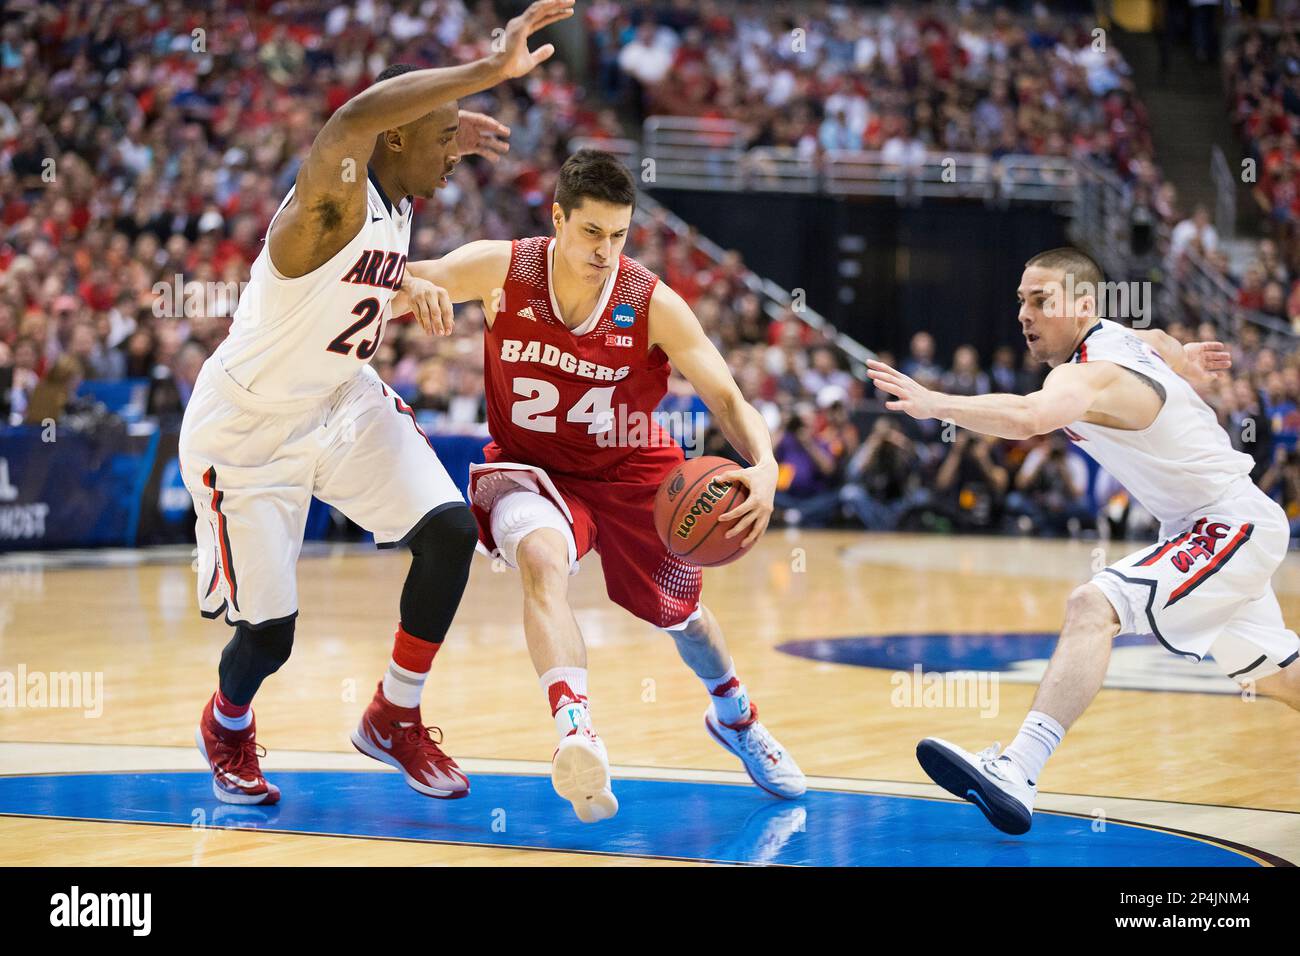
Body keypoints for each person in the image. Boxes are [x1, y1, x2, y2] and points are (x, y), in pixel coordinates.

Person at [179, 0, 576, 806]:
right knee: (270, 637)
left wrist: (414, 284)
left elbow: (358, 288)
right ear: (393, 139)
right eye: (440, 141)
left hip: (340, 402)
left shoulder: (397, 202)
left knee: (450, 531)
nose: (454, 159)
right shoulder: (328, 201)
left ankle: (394, 716)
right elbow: (353, 119)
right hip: (249, 430)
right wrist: (489, 70)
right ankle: (227, 721)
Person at [398, 149, 805, 822]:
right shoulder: (504, 268)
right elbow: (404, 276)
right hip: (533, 470)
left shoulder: (650, 302)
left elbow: (728, 398)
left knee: (685, 620)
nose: (606, 250)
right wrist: (413, 288)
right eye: (592, 233)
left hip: (633, 472)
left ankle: (734, 715)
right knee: (541, 563)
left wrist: (762, 464)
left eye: (618, 235)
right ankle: (576, 731)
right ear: (558, 219)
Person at [868, 246, 1299, 834]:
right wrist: (1185, 357)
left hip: (1227, 523)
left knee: (1094, 605)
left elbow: (1025, 417)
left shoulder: (1087, 372)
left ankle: (1019, 768)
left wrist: (934, 403)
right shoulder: (1122, 337)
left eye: (1041, 301)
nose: (1024, 314)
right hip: (1219, 524)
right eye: (1021, 300)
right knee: (1274, 676)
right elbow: (1157, 339)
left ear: (1082, 306)